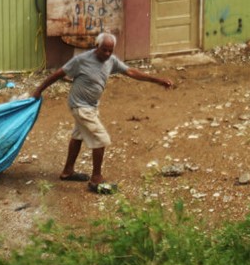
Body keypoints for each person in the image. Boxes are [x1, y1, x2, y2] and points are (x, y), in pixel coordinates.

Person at [30, 31, 175, 192]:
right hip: (79, 106)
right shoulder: (81, 60)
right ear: (96, 46)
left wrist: (158, 80)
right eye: (104, 50)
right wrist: (39, 90)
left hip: (91, 106)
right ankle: (96, 179)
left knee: (78, 135)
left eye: (110, 50)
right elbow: (58, 74)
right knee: (101, 139)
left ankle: (67, 171)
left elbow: (131, 72)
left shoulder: (111, 61)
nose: (107, 54)